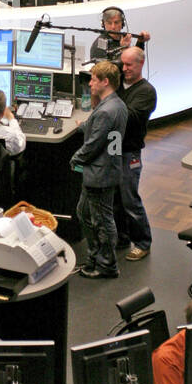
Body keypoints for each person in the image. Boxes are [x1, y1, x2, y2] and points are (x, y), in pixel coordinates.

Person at [70, 60, 127, 280]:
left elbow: (93, 145)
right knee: (84, 214)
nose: (90, 83)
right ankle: (95, 257)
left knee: (102, 221)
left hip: (100, 173)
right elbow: (99, 131)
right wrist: (85, 126)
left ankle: (107, 265)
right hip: (105, 169)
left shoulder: (106, 111)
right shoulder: (116, 105)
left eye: (94, 79)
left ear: (105, 81)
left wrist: (75, 158)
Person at [115, 47, 157, 262]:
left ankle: (143, 243)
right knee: (115, 198)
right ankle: (121, 238)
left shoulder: (146, 92)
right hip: (113, 149)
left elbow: (128, 117)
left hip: (129, 152)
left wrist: (108, 102)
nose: (125, 68)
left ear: (141, 64)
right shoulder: (119, 84)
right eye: (123, 64)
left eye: (129, 65)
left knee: (129, 199)